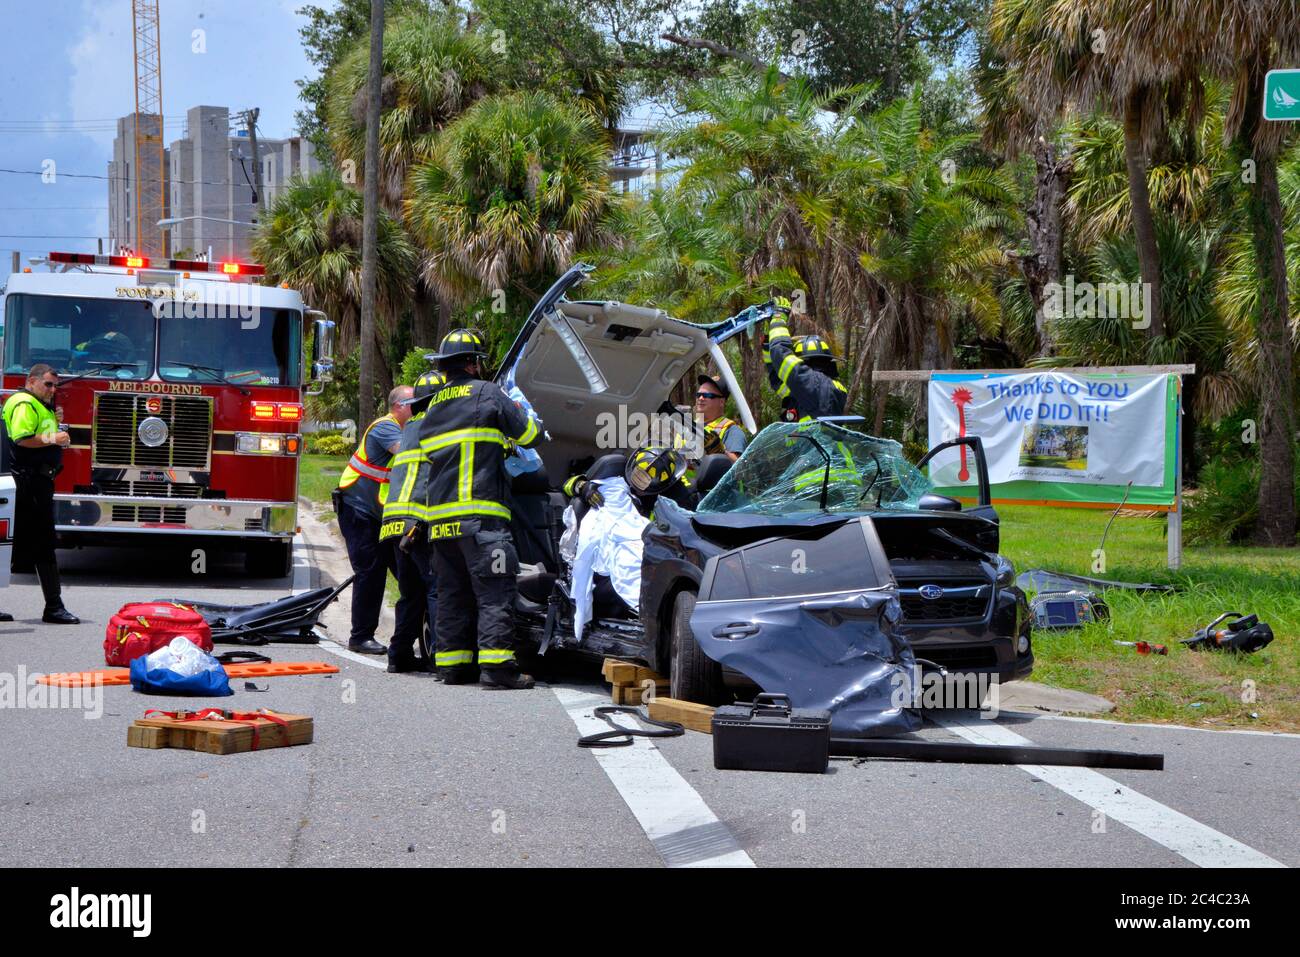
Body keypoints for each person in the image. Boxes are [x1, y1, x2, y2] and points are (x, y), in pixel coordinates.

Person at [417, 329, 543, 690]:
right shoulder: (488, 393)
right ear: (473, 364)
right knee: (494, 594)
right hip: (483, 522)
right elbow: (530, 435)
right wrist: (518, 412)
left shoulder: (434, 406)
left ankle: (454, 668)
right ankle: (497, 670)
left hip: (440, 525)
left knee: (454, 595)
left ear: (443, 368)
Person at [332, 385, 414, 655]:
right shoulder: (385, 427)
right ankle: (360, 637)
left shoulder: (405, 427)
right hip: (359, 510)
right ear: (400, 406)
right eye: (416, 403)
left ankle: (407, 639)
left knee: (406, 574)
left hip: (381, 515)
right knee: (371, 571)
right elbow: (406, 453)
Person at [378, 370, 446, 674]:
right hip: (417, 523)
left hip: (393, 523)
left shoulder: (409, 428)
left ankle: (399, 655)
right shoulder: (438, 426)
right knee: (435, 588)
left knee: (411, 593)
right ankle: (442, 659)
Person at [1, 365, 78, 623]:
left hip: (35, 482)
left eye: (55, 385)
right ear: (32, 381)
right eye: (48, 384)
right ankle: (54, 607)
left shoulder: (35, 403)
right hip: (29, 483)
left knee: (12, 547)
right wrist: (55, 437)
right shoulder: (24, 402)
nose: (53, 389)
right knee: (43, 544)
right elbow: (23, 438)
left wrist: (53, 422)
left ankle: (54, 606)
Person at [764, 298, 848, 422]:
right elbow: (777, 378)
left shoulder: (815, 384)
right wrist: (768, 340)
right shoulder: (817, 389)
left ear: (806, 363)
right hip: (813, 441)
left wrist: (778, 317)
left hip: (813, 441)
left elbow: (780, 355)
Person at [693, 373, 747, 462]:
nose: (701, 398)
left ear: (721, 402)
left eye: (707, 395)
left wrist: (721, 452)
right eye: (698, 395)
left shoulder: (732, 430)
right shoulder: (689, 426)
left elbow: (738, 466)